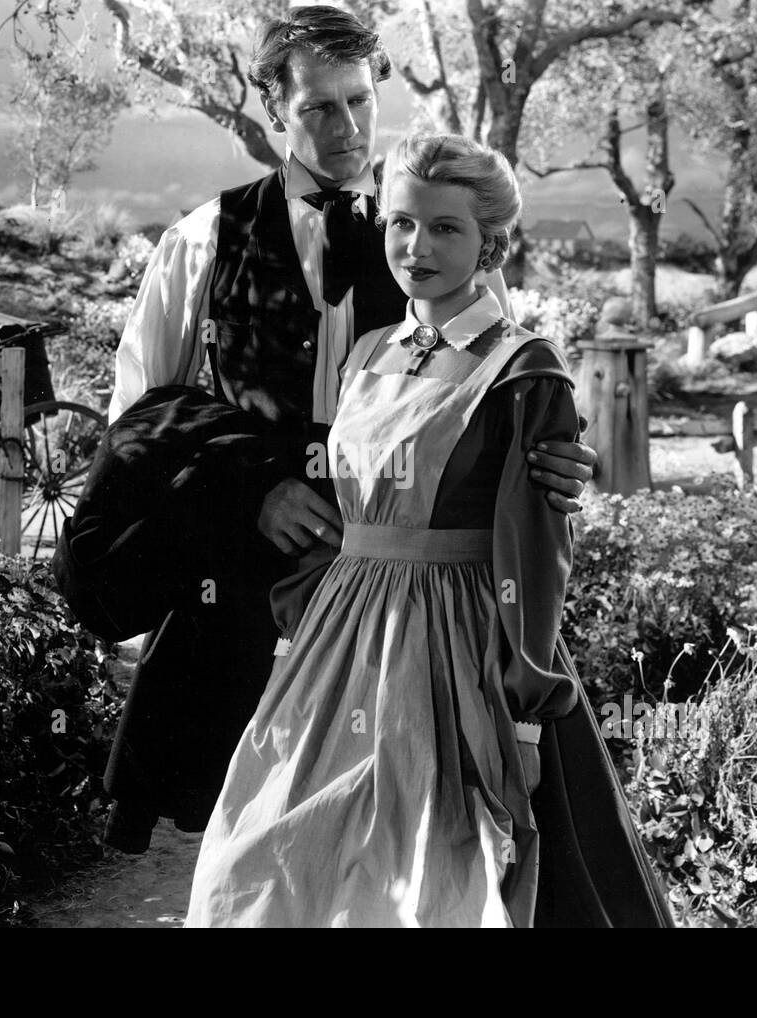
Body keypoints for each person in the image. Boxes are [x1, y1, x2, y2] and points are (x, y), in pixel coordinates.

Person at [102, 5, 598, 857]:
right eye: (319, 108)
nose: (348, 127)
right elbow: (138, 422)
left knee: (407, 843)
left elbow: (497, 396)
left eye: (361, 101)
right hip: (244, 599)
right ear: (272, 111)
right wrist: (247, 487)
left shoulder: (429, 233)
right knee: (245, 848)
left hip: (417, 622)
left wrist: (554, 466)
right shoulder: (203, 240)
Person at [185, 132, 665, 928]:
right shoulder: (371, 351)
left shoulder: (523, 369)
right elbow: (349, 508)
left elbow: (536, 553)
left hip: (459, 645)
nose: (417, 246)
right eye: (402, 223)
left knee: (434, 872)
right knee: (268, 854)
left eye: (446, 228)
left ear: (490, 245)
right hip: (340, 645)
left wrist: (521, 706)